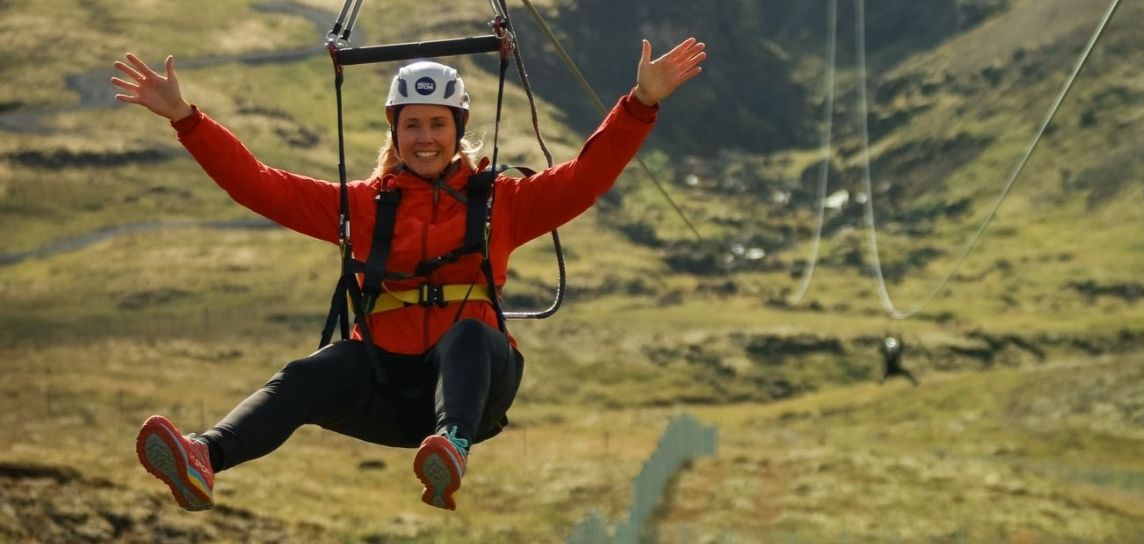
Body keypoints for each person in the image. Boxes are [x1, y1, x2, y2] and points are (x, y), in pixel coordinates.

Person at [111, 37, 706, 512]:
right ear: (395, 132)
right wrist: (187, 120)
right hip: (390, 393)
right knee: (313, 369)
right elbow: (260, 186)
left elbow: (586, 176)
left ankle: (452, 446)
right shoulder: (363, 206)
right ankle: (204, 457)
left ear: (458, 129)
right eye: (413, 125)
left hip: (474, 392)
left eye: (437, 124)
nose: (425, 137)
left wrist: (640, 104)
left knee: (469, 336)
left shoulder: (503, 201)